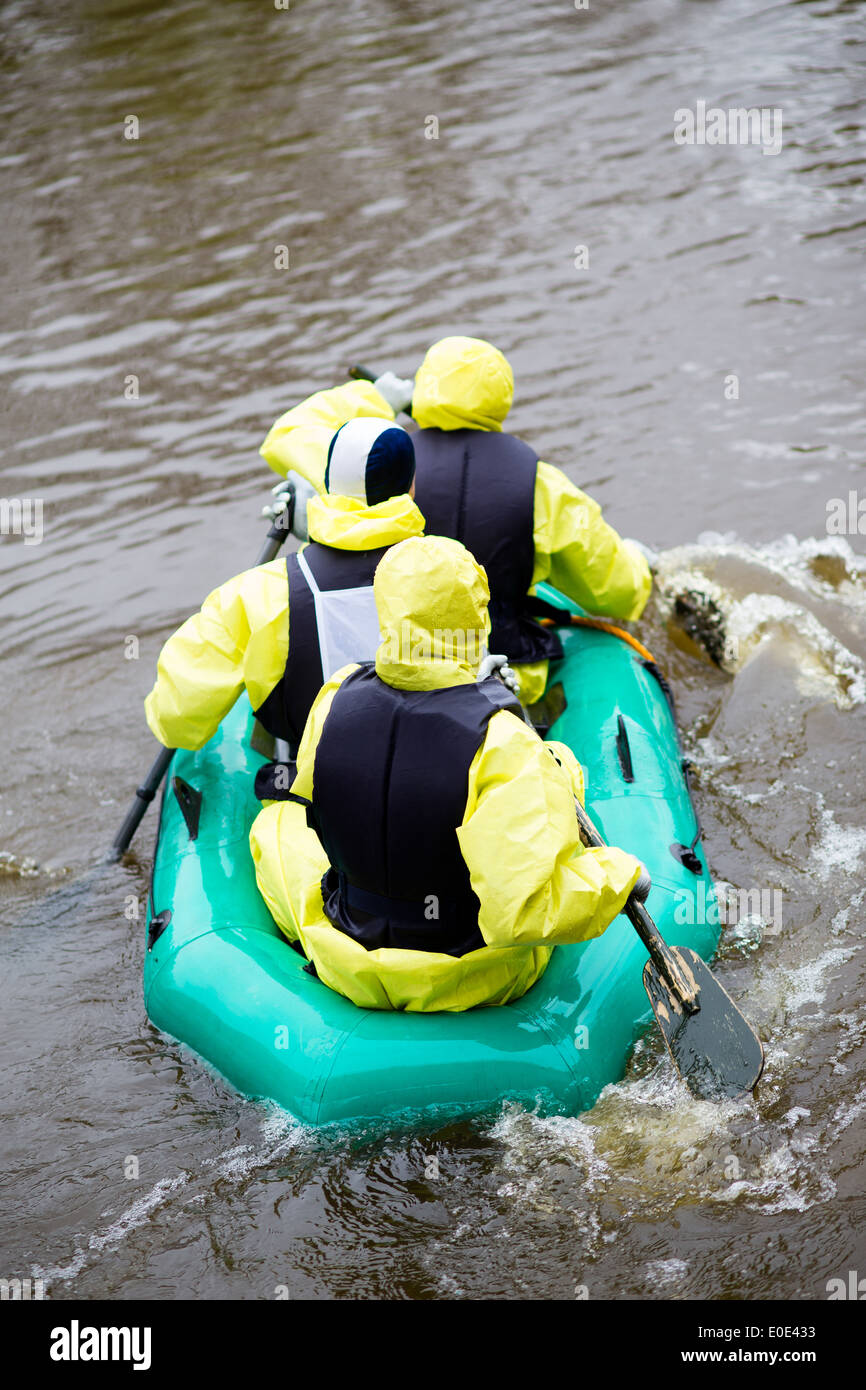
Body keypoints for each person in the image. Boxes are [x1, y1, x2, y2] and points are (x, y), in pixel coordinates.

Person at [250, 535, 646, 1013]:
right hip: (476, 974)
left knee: (276, 821)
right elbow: (521, 914)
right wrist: (619, 877)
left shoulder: (335, 695)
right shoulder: (503, 741)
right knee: (558, 761)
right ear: (476, 615)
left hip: (347, 957)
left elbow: (320, 801)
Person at [260, 337, 652, 705]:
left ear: (423, 387)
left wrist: (376, 398)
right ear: (502, 398)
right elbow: (616, 592)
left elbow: (287, 436)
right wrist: (638, 564)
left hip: (387, 670)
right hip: (505, 675)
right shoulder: (542, 483)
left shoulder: (375, 466)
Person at [144, 417, 421, 756]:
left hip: (312, 796)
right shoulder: (455, 570)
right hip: (431, 788)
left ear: (329, 485)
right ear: (411, 487)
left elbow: (175, 717)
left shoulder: (259, 593)